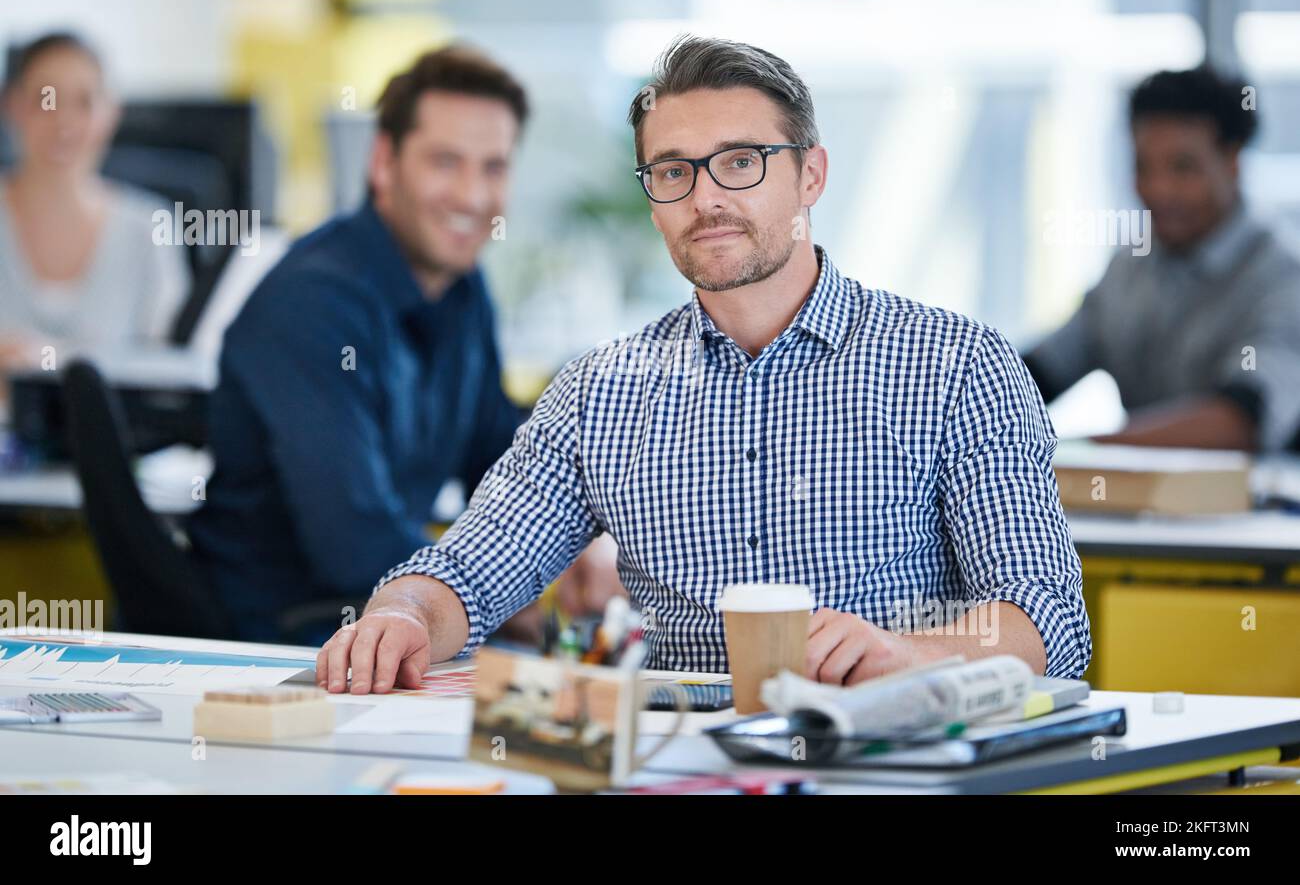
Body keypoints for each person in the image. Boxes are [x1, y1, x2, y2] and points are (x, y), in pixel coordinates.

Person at [317, 36, 1091, 694]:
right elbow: (469, 570)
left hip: (884, 762)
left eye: (741, 162)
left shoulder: (957, 365)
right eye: (673, 170)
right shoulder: (601, 391)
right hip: (675, 765)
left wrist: (912, 656)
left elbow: (1046, 618)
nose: (706, 197)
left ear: (810, 175)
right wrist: (403, 615)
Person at [189, 45, 616, 643]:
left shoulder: (465, 289)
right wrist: (515, 608)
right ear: (384, 162)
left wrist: (578, 549)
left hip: (390, 620)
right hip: (290, 636)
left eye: (494, 167)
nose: (472, 196)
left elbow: (498, 462)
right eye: (446, 162)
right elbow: (353, 539)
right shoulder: (312, 304)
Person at [1023, 66, 1300, 451]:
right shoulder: (1132, 264)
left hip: (1255, 507)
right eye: (1143, 167)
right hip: (1138, 505)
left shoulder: (1284, 276)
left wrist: (1085, 448)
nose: (1158, 190)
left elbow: (1239, 422)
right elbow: (1040, 372)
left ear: (1232, 161)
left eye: (1182, 168)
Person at [0, 32, 188, 377]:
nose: (64, 123)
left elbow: (168, 369)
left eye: (84, 102)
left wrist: (58, 359)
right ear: (12, 106)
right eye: (47, 100)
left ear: (112, 114)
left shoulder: (149, 228)